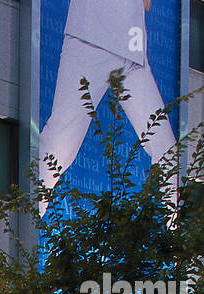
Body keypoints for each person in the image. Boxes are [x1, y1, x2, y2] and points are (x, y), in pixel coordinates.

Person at [37, 0, 176, 215]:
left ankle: (174, 242)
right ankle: (25, 219)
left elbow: (146, 4)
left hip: (132, 50)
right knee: (58, 145)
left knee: (167, 150)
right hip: (89, 38)